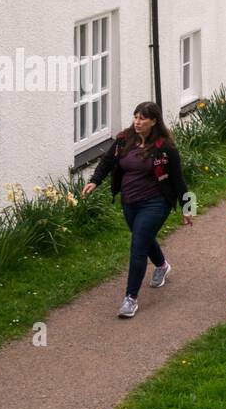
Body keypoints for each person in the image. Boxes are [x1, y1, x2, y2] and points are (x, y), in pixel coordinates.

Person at [82, 101, 192, 318]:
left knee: (138, 244)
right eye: (135, 117)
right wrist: (95, 181)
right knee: (144, 238)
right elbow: (106, 162)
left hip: (156, 203)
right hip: (129, 202)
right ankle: (161, 265)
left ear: (153, 121)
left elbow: (179, 180)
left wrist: (188, 208)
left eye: (142, 118)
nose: (137, 122)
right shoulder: (124, 140)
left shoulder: (165, 148)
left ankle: (130, 299)